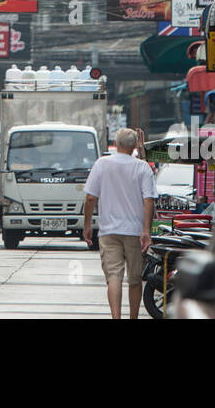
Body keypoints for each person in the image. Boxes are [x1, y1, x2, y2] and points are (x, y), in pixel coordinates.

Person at [82, 128, 157, 320]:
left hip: (109, 231)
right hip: (135, 232)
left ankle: (116, 317)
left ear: (116, 143)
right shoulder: (142, 167)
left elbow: (91, 198)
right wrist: (146, 230)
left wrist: (87, 225)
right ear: (134, 146)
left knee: (113, 277)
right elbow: (149, 200)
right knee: (134, 279)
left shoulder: (102, 164)